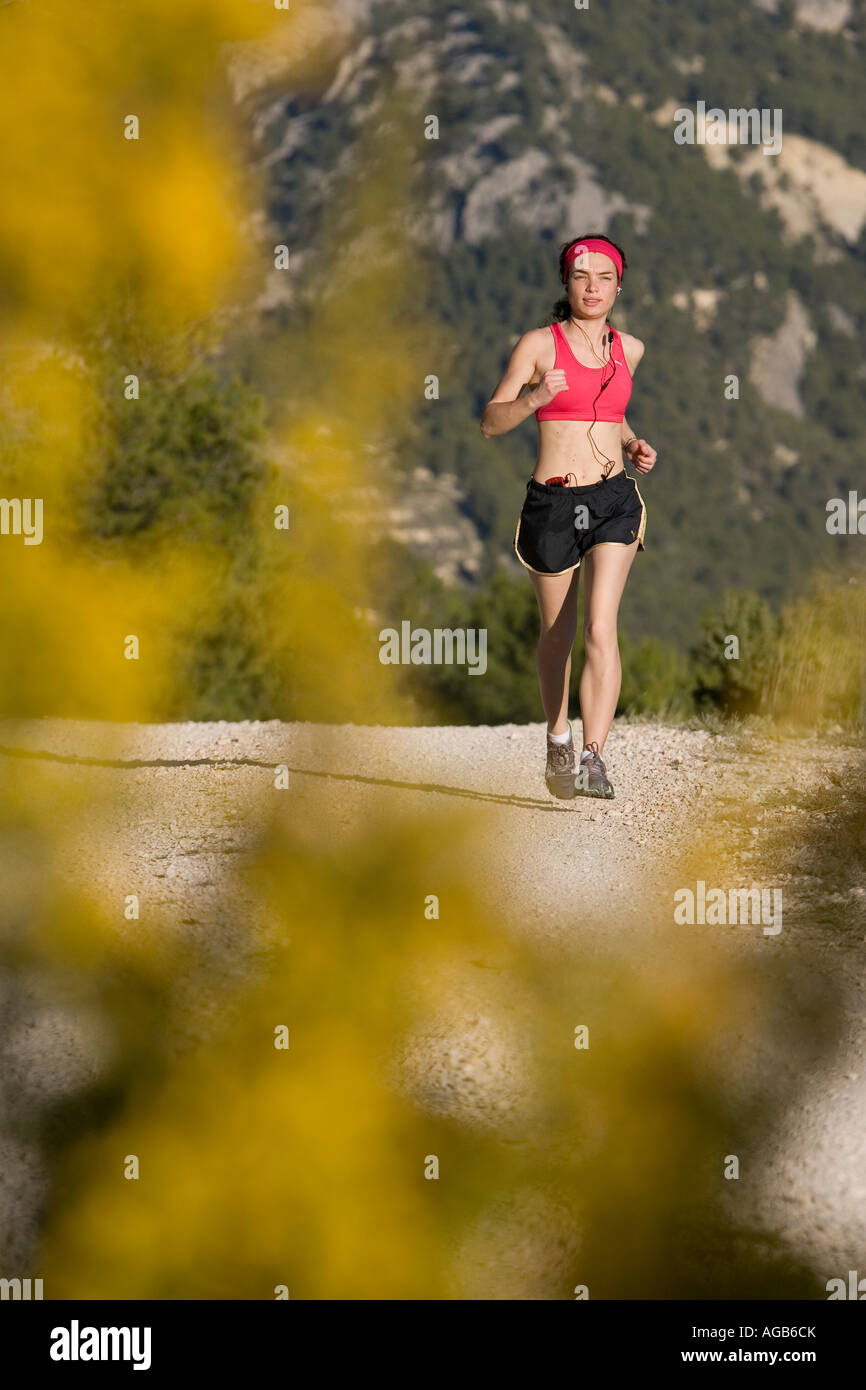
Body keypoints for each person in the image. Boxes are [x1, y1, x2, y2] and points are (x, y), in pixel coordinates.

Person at [480, 235, 657, 800]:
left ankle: (593, 755)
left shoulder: (629, 349)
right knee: (557, 636)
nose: (593, 287)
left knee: (601, 627)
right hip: (553, 503)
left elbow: (610, 412)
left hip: (613, 499)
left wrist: (632, 444)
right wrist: (532, 400)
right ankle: (558, 736)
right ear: (566, 283)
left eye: (604, 277)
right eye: (582, 276)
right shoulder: (538, 345)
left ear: (618, 284)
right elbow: (490, 422)